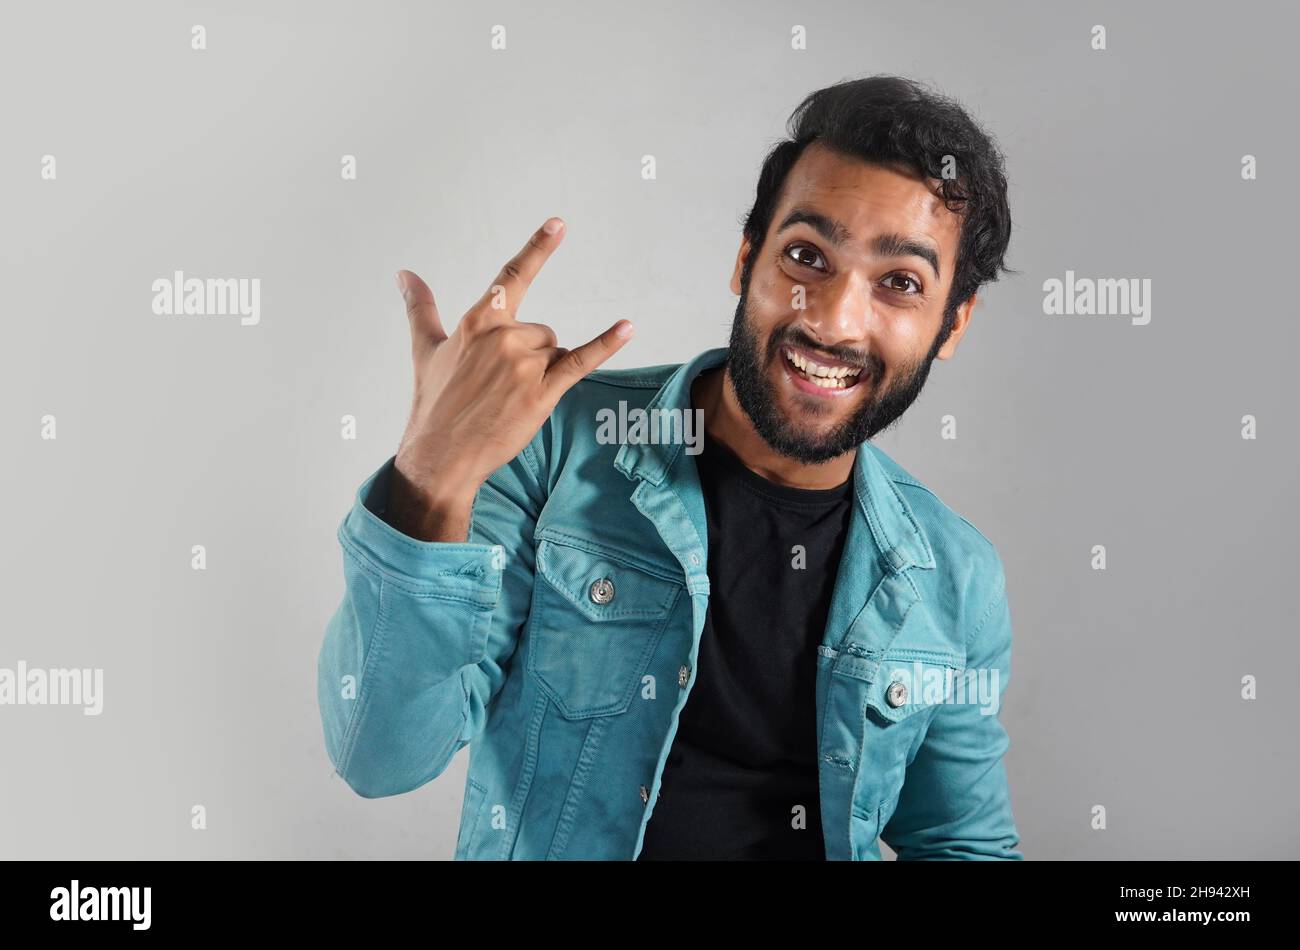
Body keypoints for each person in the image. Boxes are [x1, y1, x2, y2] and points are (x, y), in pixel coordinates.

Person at [317, 75, 1023, 860]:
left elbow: (965, 845)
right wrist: (431, 473)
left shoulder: (956, 579)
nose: (832, 320)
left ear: (951, 323)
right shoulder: (550, 442)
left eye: (900, 283)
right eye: (805, 256)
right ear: (746, 259)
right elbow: (379, 757)